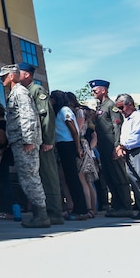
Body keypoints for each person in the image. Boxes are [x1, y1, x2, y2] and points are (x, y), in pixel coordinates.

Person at [0, 63, 50, 228]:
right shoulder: (15, 92)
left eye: (4, 76)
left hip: (24, 142)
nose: (1, 79)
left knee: (30, 177)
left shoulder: (20, 92)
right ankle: (39, 214)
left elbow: (28, 115)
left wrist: (28, 139)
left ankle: (41, 215)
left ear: (12, 76)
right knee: (27, 177)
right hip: (19, 141)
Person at [18, 64, 63, 225]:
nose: (16, 75)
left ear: (28, 75)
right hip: (36, 141)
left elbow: (46, 116)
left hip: (43, 142)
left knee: (48, 175)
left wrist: (48, 140)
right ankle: (44, 210)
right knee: (39, 176)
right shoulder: (24, 92)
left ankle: (55, 212)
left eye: (19, 72)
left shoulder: (37, 90)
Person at [90, 79, 135, 216]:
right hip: (103, 147)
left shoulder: (111, 106)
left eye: (95, 90)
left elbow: (117, 126)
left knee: (118, 176)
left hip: (111, 146)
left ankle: (125, 206)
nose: (93, 93)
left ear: (103, 90)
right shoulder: (100, 107)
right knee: (109, 177)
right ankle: (116, 205)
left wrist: (117, 146)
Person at [51, 90, 90, 219]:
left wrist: (78, 148)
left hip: (68, 144)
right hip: (62, 145)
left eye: (53, 98)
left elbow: (74, 131)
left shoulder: (64, 111)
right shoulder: (59, 112)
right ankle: (75, 208)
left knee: (73, 178)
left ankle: (81, 210)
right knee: (69, 178)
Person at [113, 93, 140, 219]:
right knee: (135, 182)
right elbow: (124, 137)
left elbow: (136, 136)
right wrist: (121, 146)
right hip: (129, 151)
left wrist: (122, 146)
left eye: (121, 107)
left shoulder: (139, 118)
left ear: (130, 105)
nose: (120, 110)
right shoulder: (127, 120)